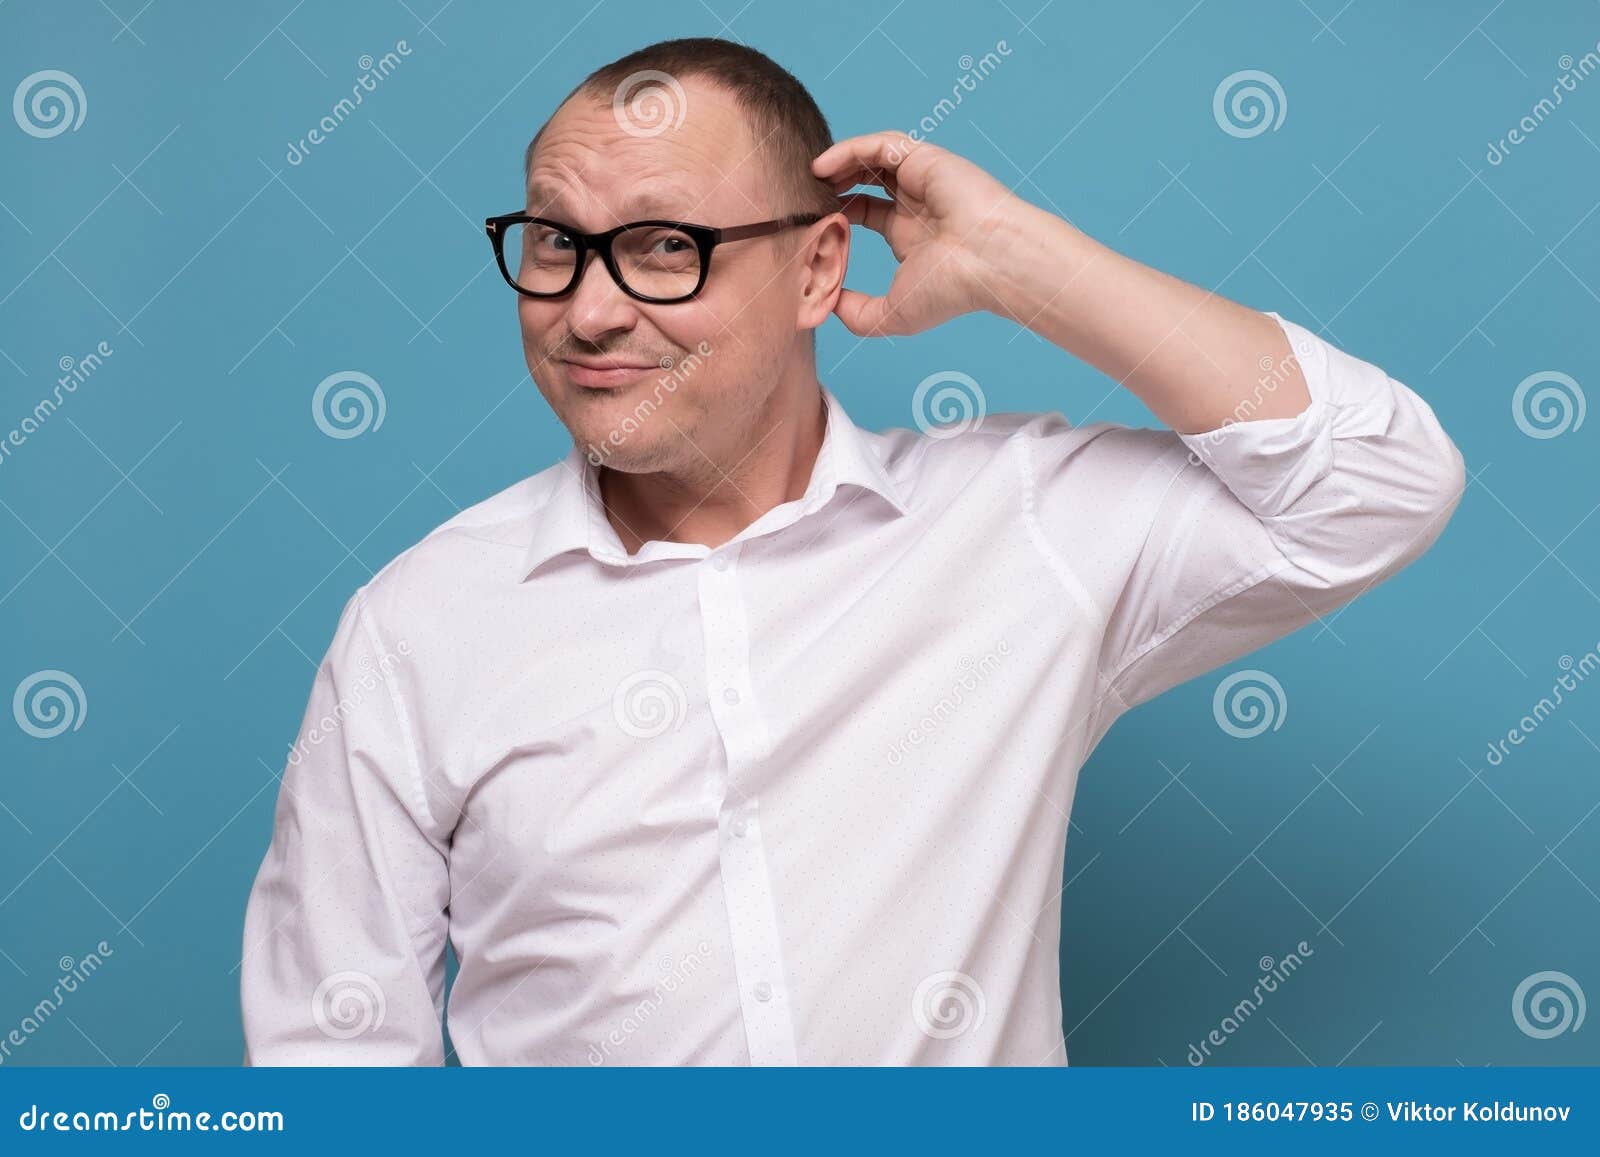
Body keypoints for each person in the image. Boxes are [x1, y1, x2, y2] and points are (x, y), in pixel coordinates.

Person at [241, 37, 1464, 1065]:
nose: (590, 308)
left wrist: (1019, 263)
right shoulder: (422, 621)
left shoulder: (1018, 524)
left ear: (819, 265)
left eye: (667, 245)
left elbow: (1377, 483)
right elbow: (330, 1057)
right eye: (555, 242)